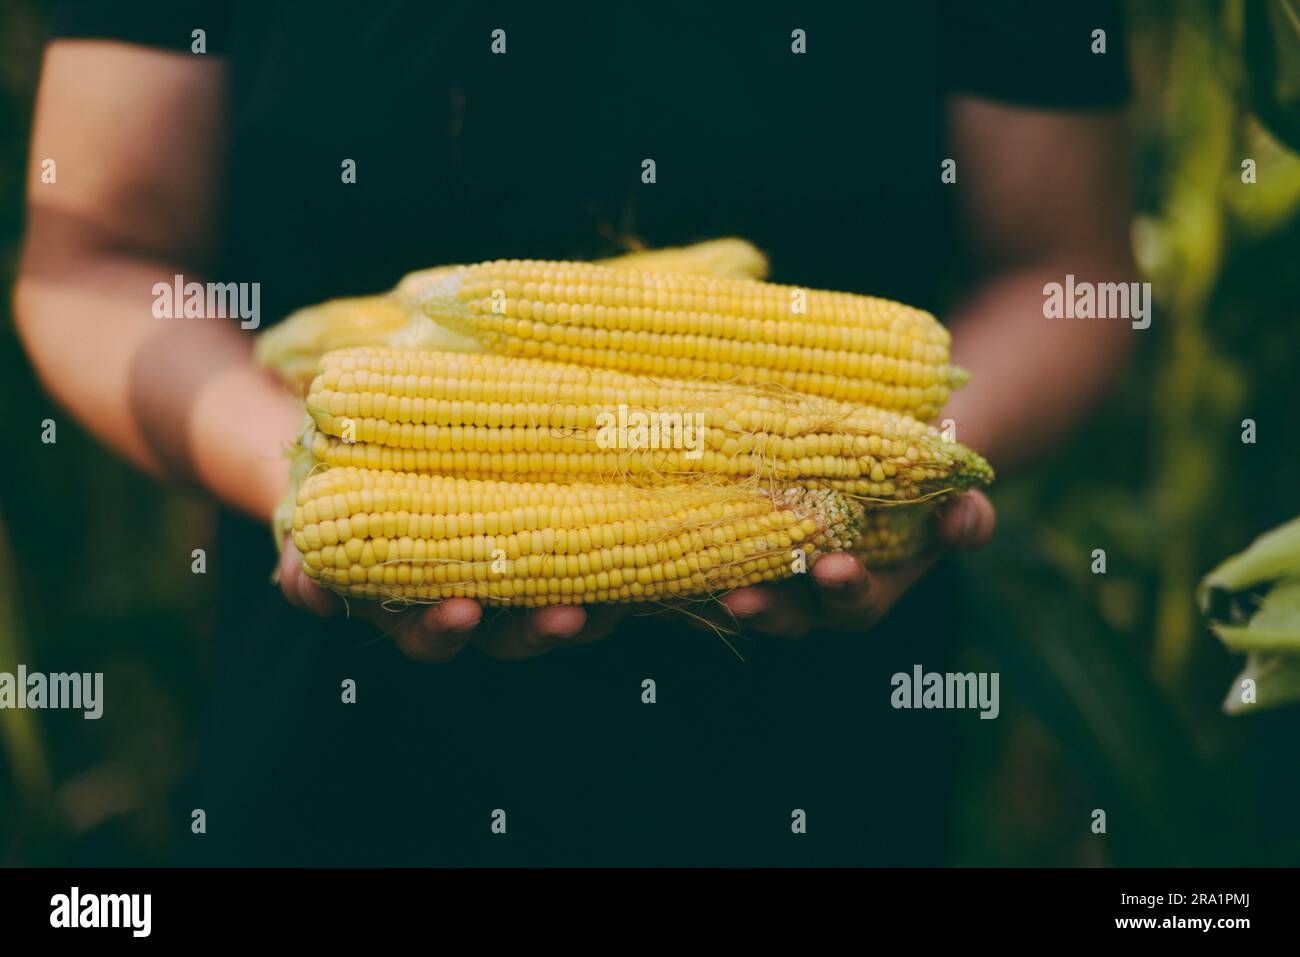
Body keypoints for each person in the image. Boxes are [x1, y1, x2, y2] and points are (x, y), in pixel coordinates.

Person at [16, 1, 1134, 865]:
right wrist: (281, 462)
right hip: (342, 760)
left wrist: (906, 465)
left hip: (813, 758)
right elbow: (92, 259)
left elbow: (1069, 270)